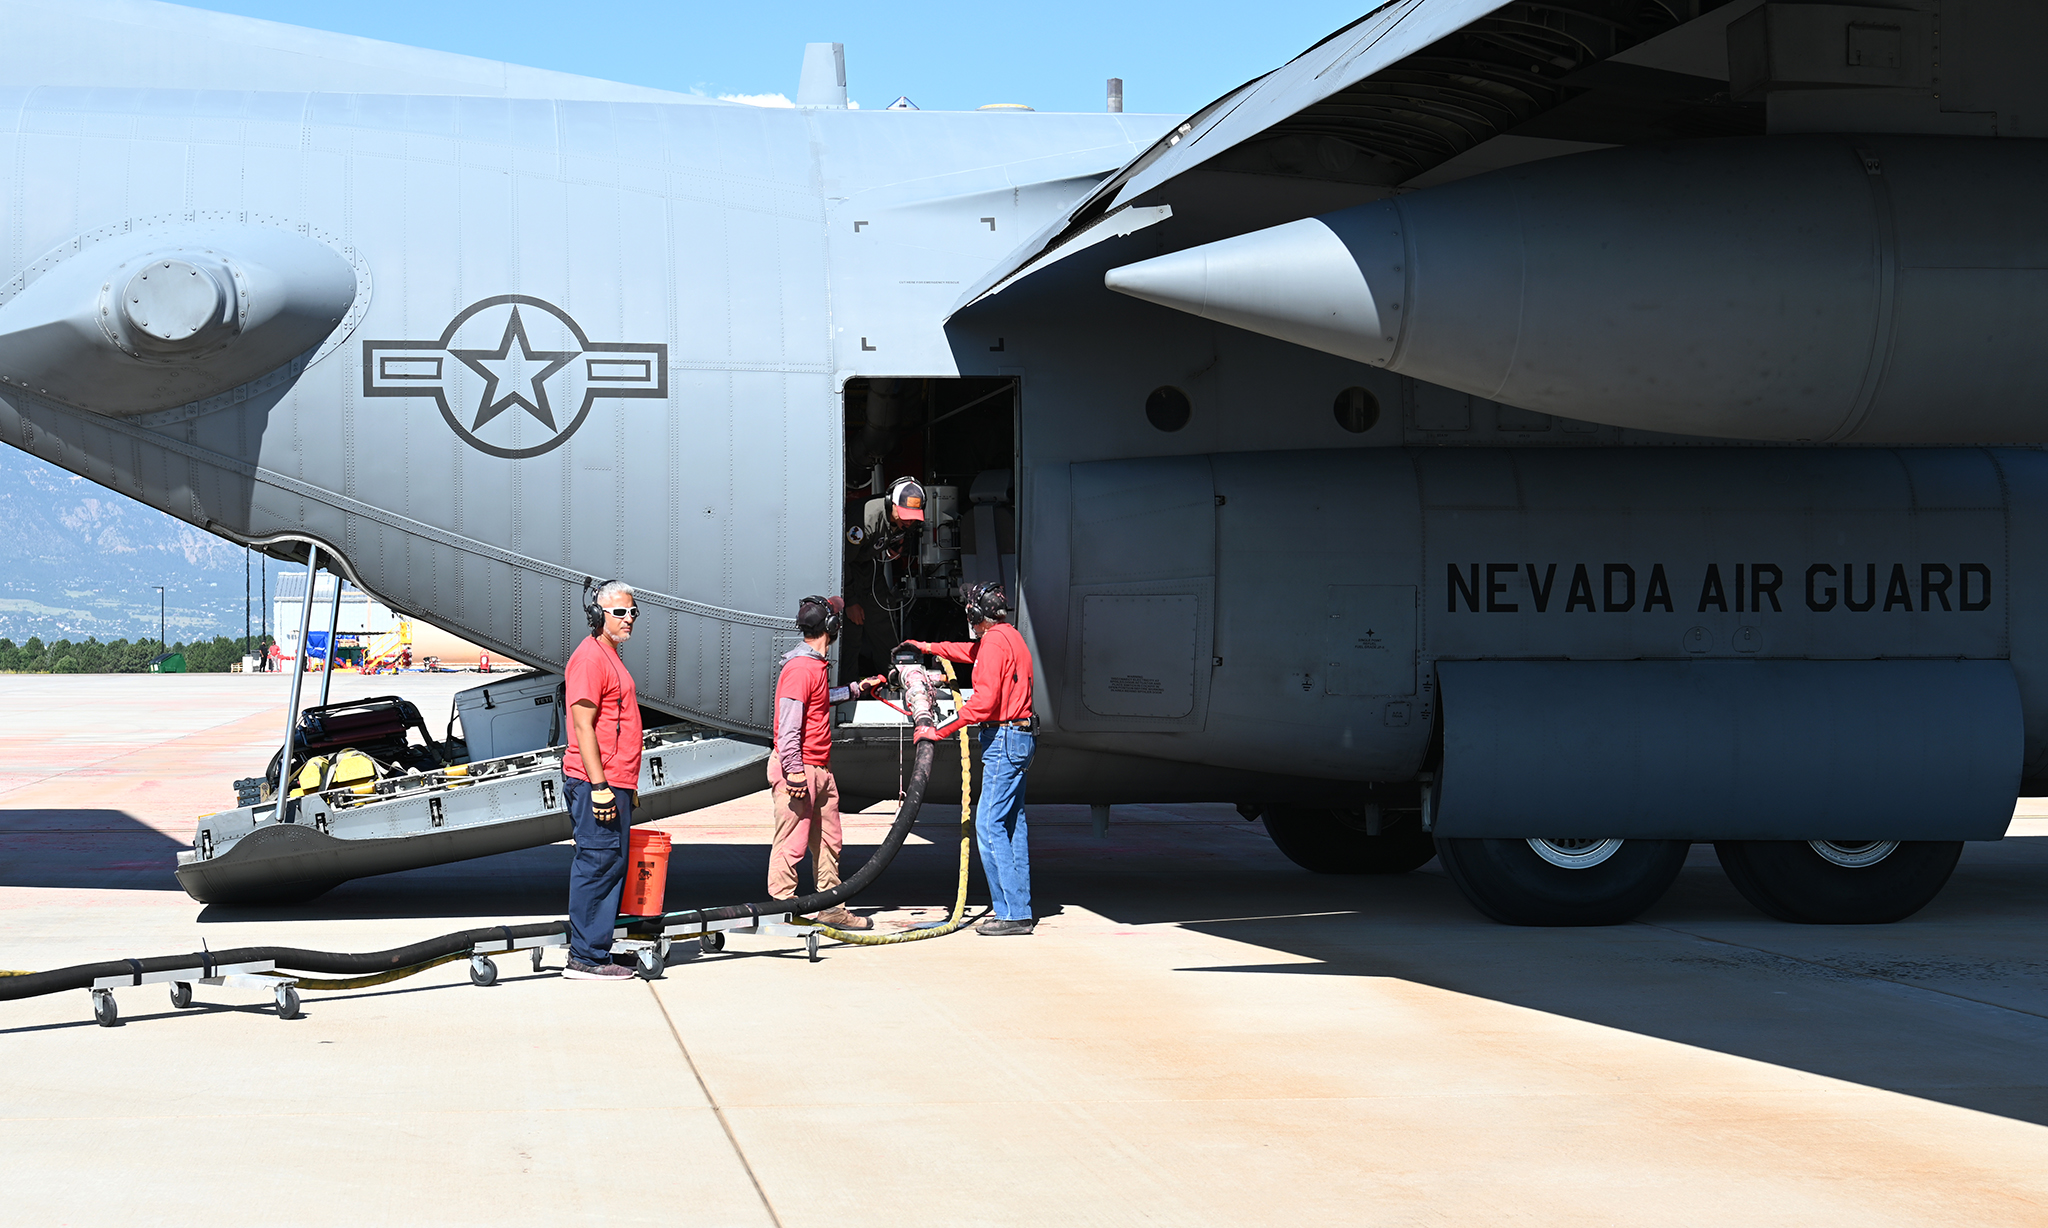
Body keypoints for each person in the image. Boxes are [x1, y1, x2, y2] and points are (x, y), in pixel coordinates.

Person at [902, 582, 1038, 935]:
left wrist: (939, 731)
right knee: (1011, 825)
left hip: (1004, 738)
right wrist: (927, 647)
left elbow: (983, 703)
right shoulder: (1009, 637)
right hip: (1020, 737)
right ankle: (1019, 908)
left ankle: (1011, 914)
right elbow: (969, 652)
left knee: (989, 825)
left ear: (977, 613)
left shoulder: (993, 643)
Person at [770, 595, 886, 929]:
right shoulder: (800, 669)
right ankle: (782, 909)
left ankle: (831, 907)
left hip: (819, 768)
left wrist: (855, 689)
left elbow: (817, 700)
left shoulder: (814, 666)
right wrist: (794, 773)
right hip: (800, 768)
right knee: (791, 844)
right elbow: (788, 727)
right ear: (832, 626)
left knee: (828, 842)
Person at [561, 578, 644, 981]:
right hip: (598, 782)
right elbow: (583, 725)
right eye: (620, 612)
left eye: (633, 612)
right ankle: (585, 958)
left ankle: (597, 948)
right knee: (597, 863)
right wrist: (599, 787)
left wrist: (626, 784)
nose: (629, 619)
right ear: (598, 615)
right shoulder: (590, 659)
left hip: (615, 781)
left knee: (610, 865)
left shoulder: (609, 655)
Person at [843, 476, 925, 679]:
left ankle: (894, 677)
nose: (909, 521)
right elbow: (842, 561)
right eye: (905, 515)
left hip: (871, 569)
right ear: (891, 504)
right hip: (850, 572)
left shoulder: (906, 522)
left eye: (913, 517)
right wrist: (850, 602)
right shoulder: (863, 522)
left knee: (883, 624)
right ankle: (848, 685)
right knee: (852, 631)